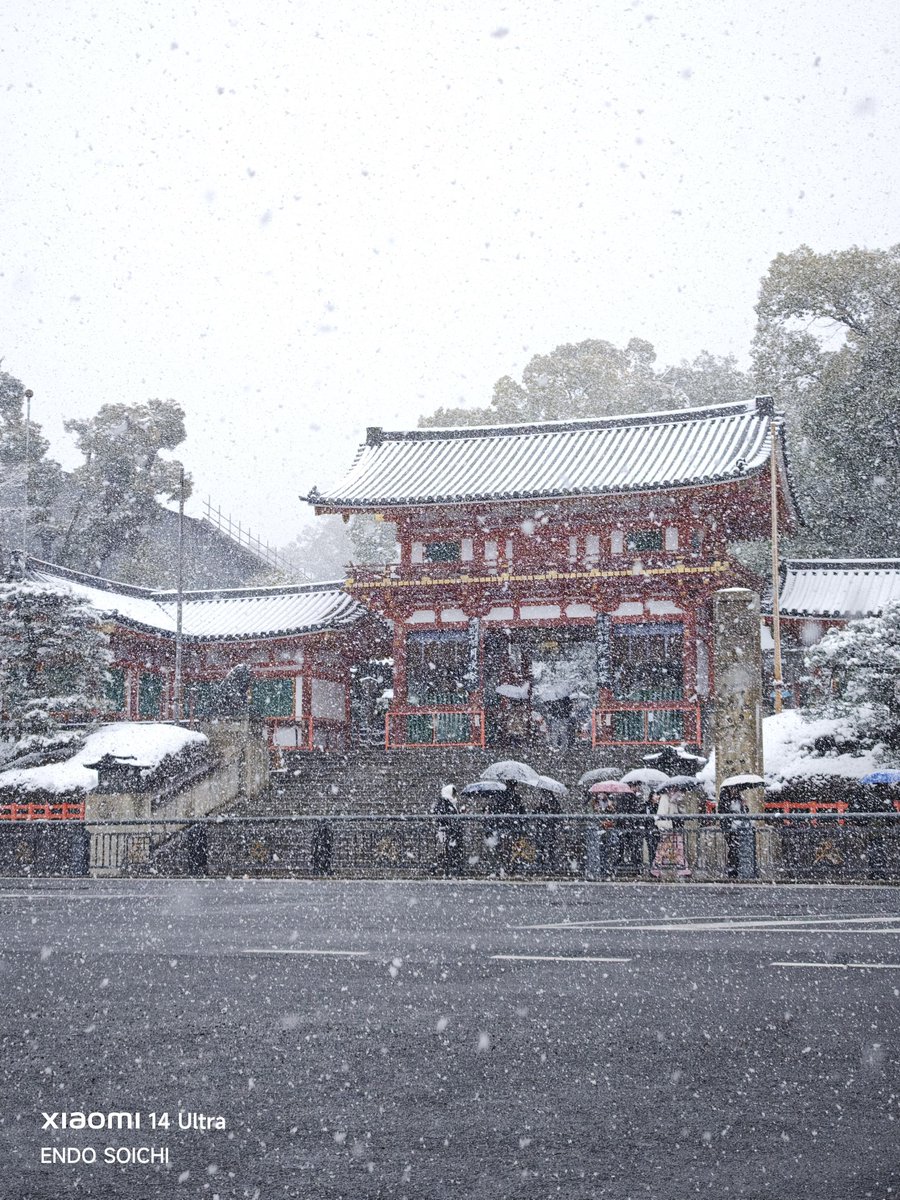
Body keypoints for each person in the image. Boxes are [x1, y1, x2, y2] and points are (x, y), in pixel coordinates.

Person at [650, 790, 690, 877]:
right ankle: (656, 868)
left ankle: (682, 867)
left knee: (676, 846)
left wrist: (680, 803)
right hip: (668, 826)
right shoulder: (665, 797)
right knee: (665, 848)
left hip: (675, 826)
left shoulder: (677, 798)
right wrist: (664, 826)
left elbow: (682, 812)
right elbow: (662, 812)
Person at [431, 784, 464, 877]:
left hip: (449, 831)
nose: (455, 795)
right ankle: (446, 868)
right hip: (446, 831)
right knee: (446, 850)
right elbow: (445, 815)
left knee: (447, 850)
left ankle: (446, 867)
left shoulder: (449, 802)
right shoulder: (445, 802)